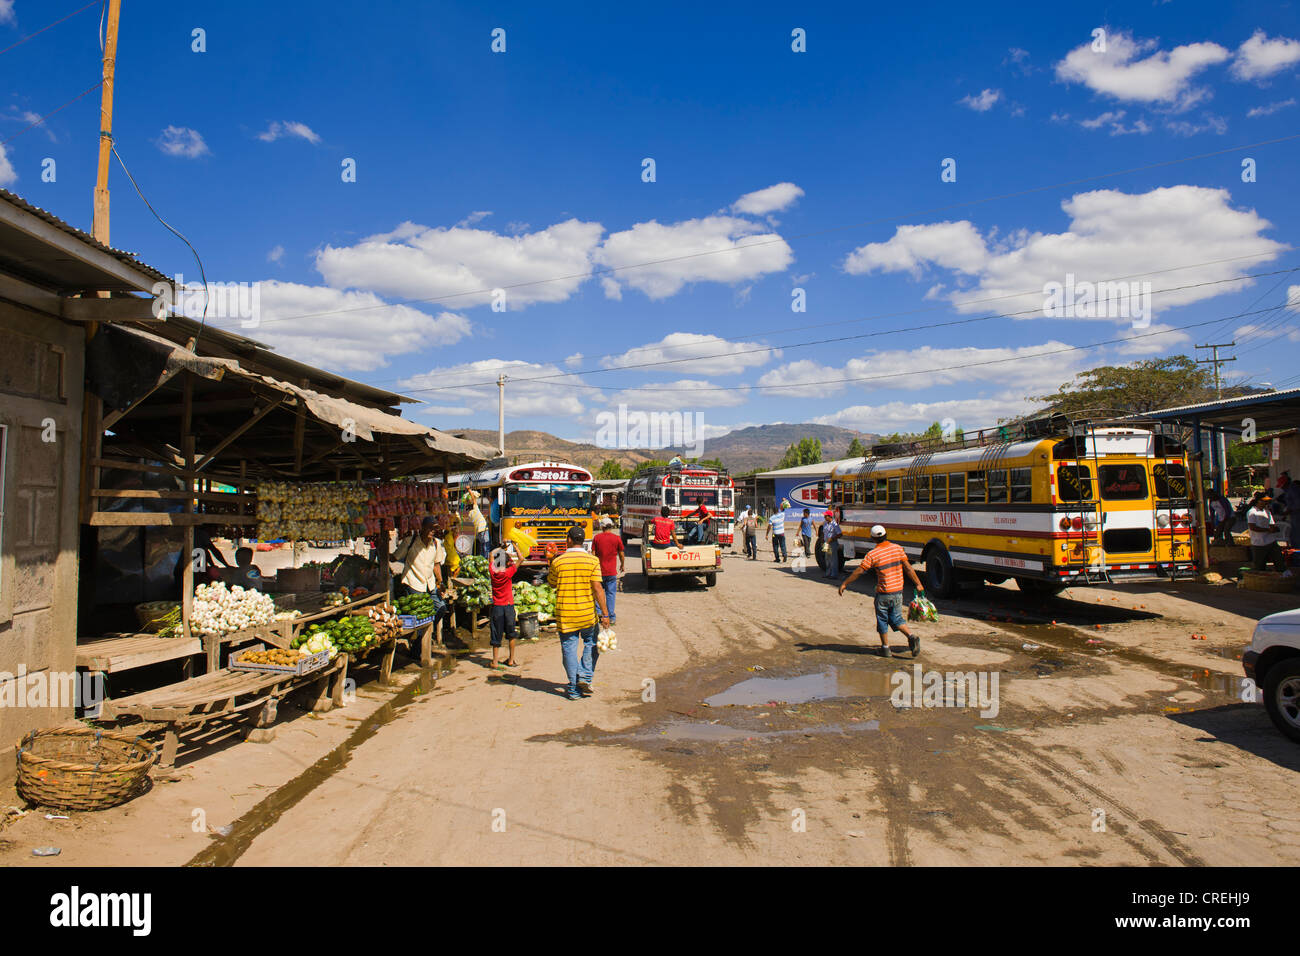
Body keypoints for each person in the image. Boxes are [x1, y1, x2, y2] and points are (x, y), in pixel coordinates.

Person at [838, 523, 925, 658]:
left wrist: (845, 583)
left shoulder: (873, 554)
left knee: (882, 620)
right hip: (898, 592)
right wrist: (918, 584)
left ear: (873, 539)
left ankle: (885, 648)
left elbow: (859, 571)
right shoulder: (897, 549)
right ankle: (911, 636)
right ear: (886, 535)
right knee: (896, 618)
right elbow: (908, 568)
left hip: (884, 593)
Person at [547, 526, 611, 700]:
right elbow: (598, 588)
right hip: (586, 614)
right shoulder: (592, 561)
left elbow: (552, 583)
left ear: (568, 540)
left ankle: (574, 689)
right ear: (582, 541)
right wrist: (605, 614)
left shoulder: (558, 561)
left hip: (565, 614)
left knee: (569, 649)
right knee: (592, 643)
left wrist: (551, 564)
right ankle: (584, 676)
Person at [392, 516, 448, 601]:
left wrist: (441, 583)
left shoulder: (436, 543)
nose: (432, 531)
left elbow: (436, 565)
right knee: (419, 610)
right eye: (430, 528)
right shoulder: (409, 541)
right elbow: (394, 557)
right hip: (413, 583)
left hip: (430, 584)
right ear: (423, 527)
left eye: (434, 528)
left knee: (441, 608)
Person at [488, 545, 523, 670]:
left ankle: (495, 661)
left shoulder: (493, 572)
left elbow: (491, 555)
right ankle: (511, 660)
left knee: (496, 634)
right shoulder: (508, 573)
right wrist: (515, 546)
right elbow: (521, 558)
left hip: (497, 607)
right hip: (508, 606)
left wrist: (499, 548)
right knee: (511, 634)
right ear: (506, 563)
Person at [591, 516, 625, 626]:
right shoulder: (616, 538)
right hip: (611, 572)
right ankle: (611, 616)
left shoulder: (597, 538)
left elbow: (593, 554)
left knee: (598, 593)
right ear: (611, 526)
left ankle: (600, 613)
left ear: (602, 527)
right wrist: (622, 565)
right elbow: (621, 554)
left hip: (599, 572)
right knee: (611, 594)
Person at [1248, 492, 1287, 573]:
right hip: (1259, 543)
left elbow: (1271, 524)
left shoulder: (1267, 512)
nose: (1266, 503)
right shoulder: (1252, 512)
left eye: (1267, 501)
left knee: (1279, 562)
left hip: (1271, 541)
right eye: (1264, 501)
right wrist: (1268, 530)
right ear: (1258, 501)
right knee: (1259, 567)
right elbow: (1252, 527)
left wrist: (1275, 529)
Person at [464, 489, 490, 558]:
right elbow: (473, 498)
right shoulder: (475, 509)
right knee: (486, 545)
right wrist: (469, 490)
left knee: (482, 545)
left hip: (478, 530)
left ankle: (482, 558)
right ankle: (486, 558)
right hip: (483, 528)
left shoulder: (469, 515)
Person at [821, 509, 843, 579]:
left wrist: (832, 539)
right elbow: (824, 532)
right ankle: (828, 573)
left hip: (832, 543)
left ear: (829, 516)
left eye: (826, 516)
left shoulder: (834, 524)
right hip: (826, 543)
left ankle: (834, 574)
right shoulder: (825, 523)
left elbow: (840, 534)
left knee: (833, 559)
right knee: (827, 559)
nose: (824, 517)